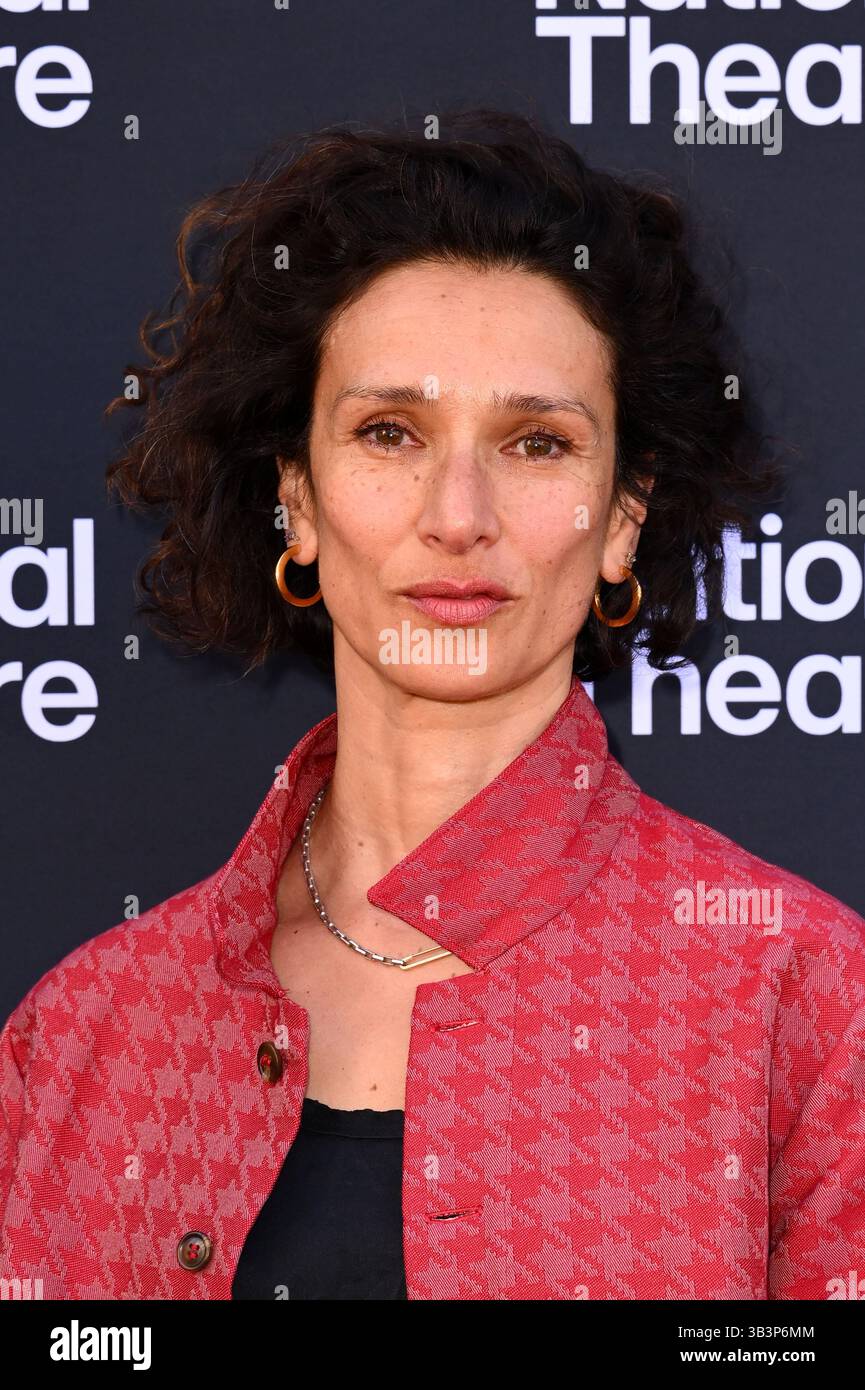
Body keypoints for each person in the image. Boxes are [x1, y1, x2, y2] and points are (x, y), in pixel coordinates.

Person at [1, 110, 863, 1302]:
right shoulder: (88, 1035)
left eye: (536, 442)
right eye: (390, 431)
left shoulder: (807, 1001)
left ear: (622, 519)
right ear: (294, 500)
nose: (457, 513)